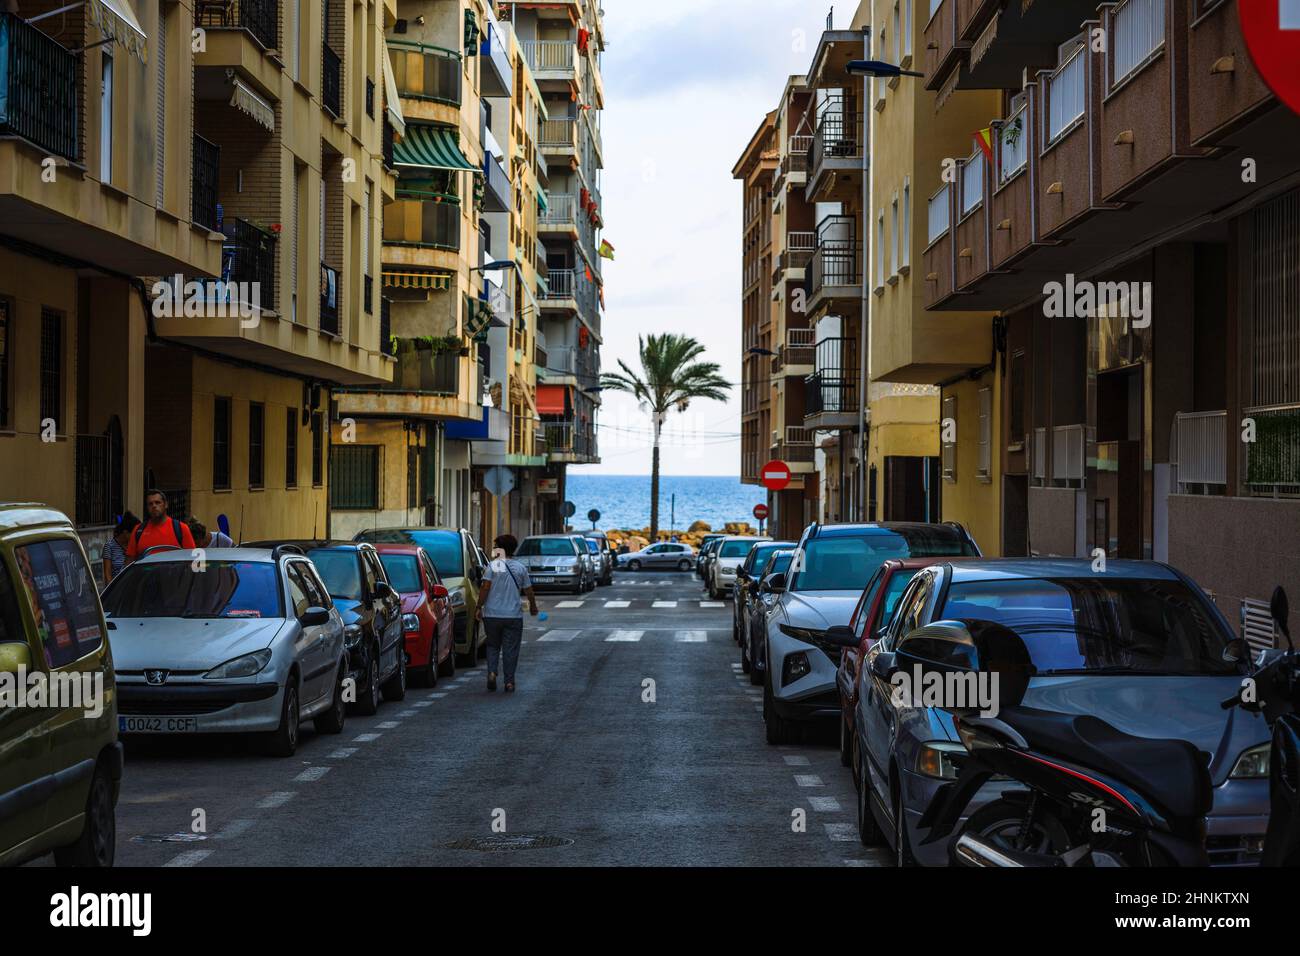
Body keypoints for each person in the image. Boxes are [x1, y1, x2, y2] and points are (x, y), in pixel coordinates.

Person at [474, 534, 538, 693]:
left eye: (495, 546)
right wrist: (533, 607)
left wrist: (478, 606)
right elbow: (529, 591)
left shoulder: (495, 565)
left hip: (492, 615)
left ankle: (492, 672)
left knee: (493, 646)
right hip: (513, 616)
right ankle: (509, 682)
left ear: (500, 549)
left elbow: (485, 587)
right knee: (511, 649)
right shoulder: (519, 567)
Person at [126, 489, 195, 560]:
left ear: (166, 505)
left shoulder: (181, 528)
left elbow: (192, 559)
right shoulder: (138, 530)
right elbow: (129, 560)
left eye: (157, 502)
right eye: (150, 504)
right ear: (147, 508)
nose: (154, 506)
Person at [102, 512, 141, 585]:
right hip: (118, 589)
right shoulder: (109, 546)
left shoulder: (137, 546)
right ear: (126, 532)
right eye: (134, 534)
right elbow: (108, 577)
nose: (136, 536)